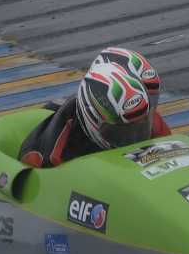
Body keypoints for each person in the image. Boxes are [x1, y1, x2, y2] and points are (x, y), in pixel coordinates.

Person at [18, 55, 173, 169]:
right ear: (93, 120)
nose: (134, 140)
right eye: (122, 133)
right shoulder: (52, 155)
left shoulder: (140, 116)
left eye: (140, 128)